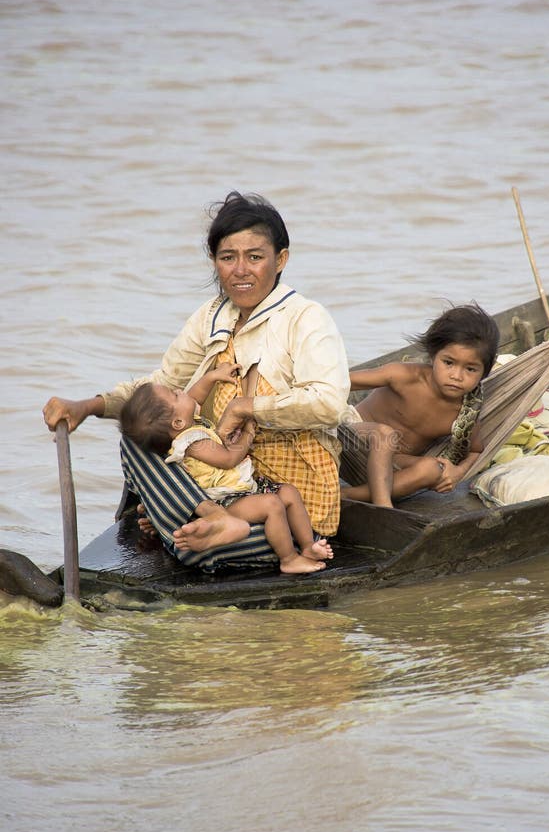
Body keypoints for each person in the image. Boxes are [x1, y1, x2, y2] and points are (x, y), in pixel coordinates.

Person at [43, 191, 349, 571]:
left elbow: (329, 402)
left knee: (202, 543)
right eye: (227, 257)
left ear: (280, 260)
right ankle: (203, 519)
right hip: (224, 487)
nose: (240, 270)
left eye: (255, 257)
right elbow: (161, 386)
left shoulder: (305, 318)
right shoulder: (211, 316)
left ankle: (185, 525)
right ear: (214, 262)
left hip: (285, 499)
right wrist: (88, 406)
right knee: (138, 433)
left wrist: (247, 406)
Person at [119, 376, 334, 574]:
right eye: (175, 394)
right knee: (272, 505)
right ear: (177, 423)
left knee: (288, 492)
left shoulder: (191, 423)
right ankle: (289, 559)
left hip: (244, 488)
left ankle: (308, 547)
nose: (179, 390)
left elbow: (193, 396)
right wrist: (248, 434)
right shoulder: (192, 442)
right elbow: (229, 459)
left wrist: (212, 376)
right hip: (227, 500)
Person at [340, 303, 500, 507]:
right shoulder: (404, 377)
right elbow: (341, 382)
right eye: (448, 363)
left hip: (394, 462)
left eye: (470, 369)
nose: (456, 376)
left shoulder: (464, 415)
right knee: (385, 434)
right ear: (434, 356)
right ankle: (384, 508)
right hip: (351, 441)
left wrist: (457, 472)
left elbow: (477, 451)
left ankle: (349, 495)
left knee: (434, 469)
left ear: (484, 372)